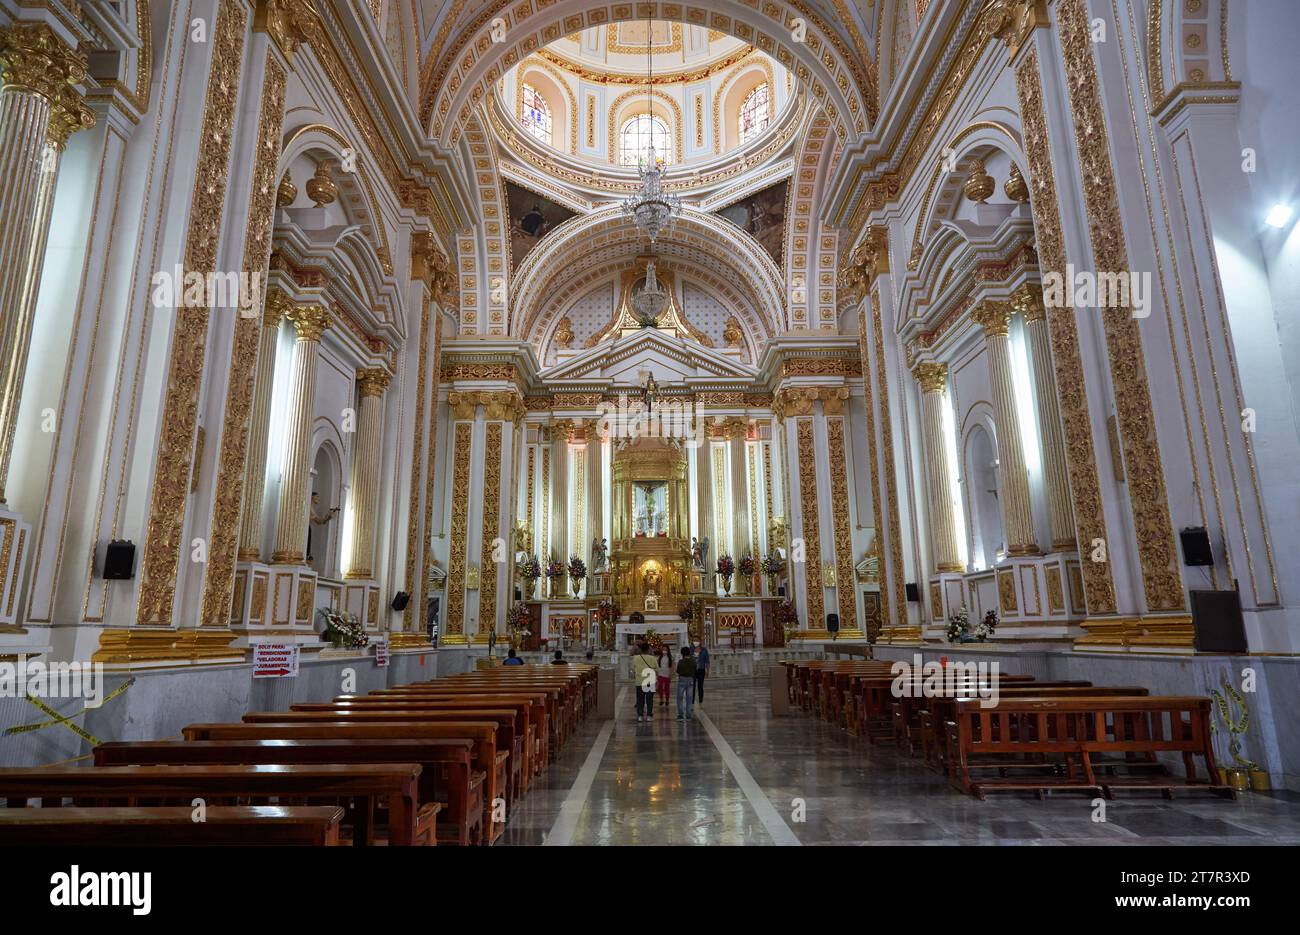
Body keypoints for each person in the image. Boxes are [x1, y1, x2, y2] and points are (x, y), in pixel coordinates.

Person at [631, 642, 658, 722]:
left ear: (640, 649)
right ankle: (649, 716)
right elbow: (657, 669)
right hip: (650, 680)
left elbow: (632, 668)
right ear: (648, 649)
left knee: (640, 699)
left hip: (640, 680)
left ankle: (640, 715)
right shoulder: (652, 658)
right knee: (649, 699)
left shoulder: (635, 658)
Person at [675, 646, 697, 720]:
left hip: (682, 679)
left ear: (682, 654)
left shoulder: (681, 662)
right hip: (690, 679)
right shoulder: (693, 661)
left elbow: (678, 671)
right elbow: (695, 669)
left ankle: (681, 715)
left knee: (680, 698)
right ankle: (688, 715)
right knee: (689, 698)